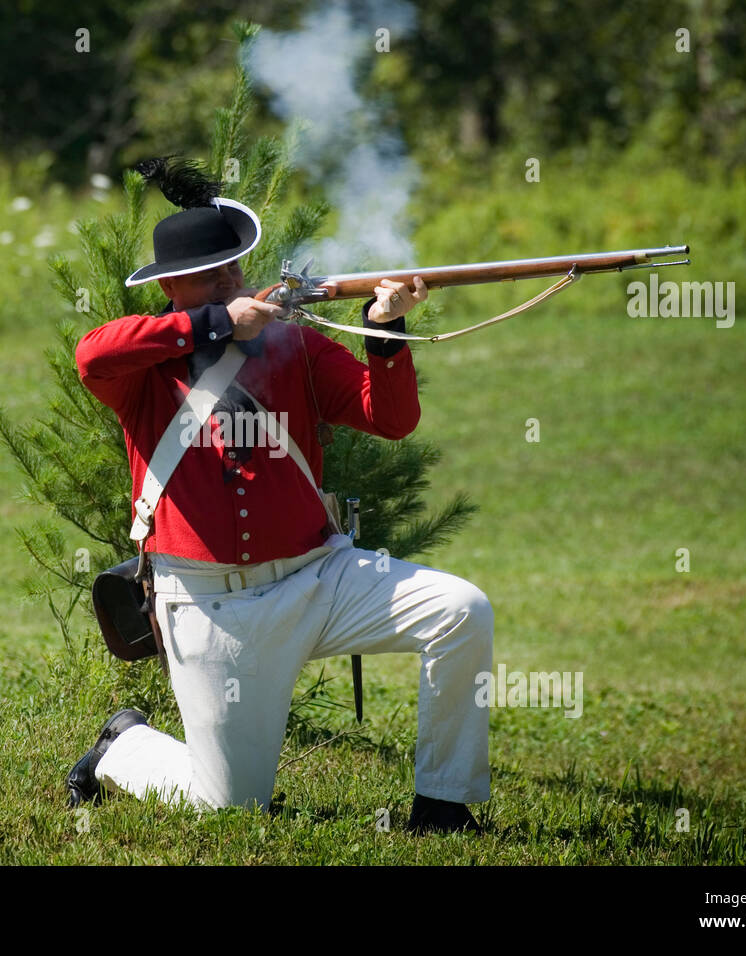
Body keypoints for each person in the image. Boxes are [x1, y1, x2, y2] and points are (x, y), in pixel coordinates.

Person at [68, 162, 493, 834]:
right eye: (213, 278)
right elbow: (90, 354)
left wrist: (384, 328)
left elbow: (390, 419)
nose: (233, 284)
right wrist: (213, 324)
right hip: (210, 603)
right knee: (229, 809)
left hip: (319, 577)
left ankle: (441, 805)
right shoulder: (146, 363)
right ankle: (123, 747)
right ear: (173, 288)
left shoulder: (293, 344)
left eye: (235, 270)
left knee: (461, 609)